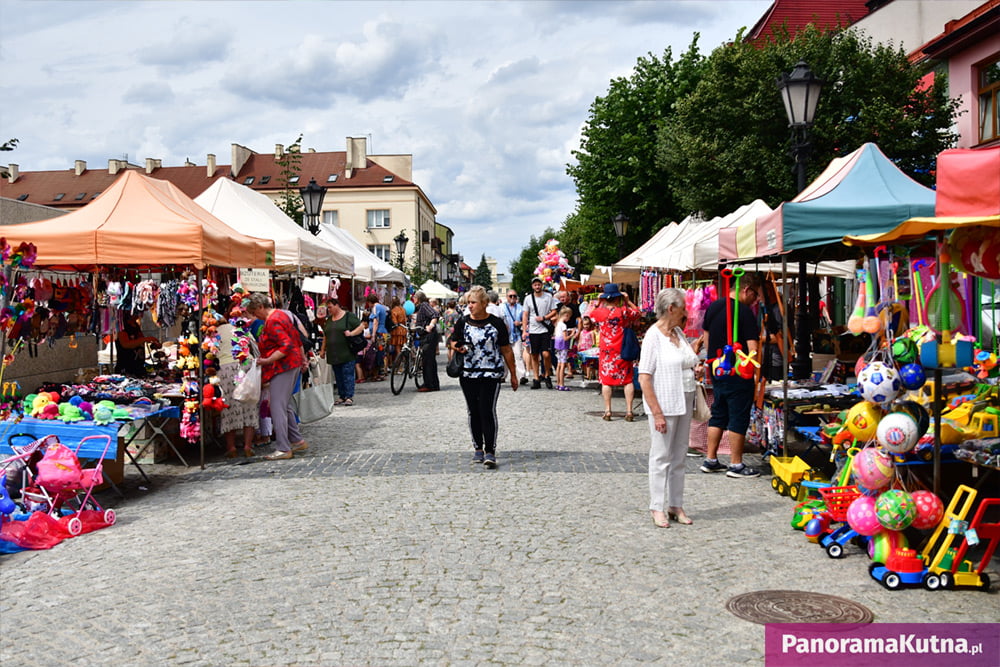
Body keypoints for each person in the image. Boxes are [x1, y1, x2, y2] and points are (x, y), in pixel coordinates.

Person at [638, 288, 699, 528]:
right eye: (683, 307)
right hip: (664, 402)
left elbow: (686, 361)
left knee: (680, 455)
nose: (686, 311)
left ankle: (676, 504)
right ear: (671, 308)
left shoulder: (678, 333)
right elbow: (644, 377)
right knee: (661, 456)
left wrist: (695, 369)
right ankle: (657, 506)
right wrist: (657, 413)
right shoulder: (654, 336)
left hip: (685, 400)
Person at [698, 273, 761, 478]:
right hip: (738, 371)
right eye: (755, 294)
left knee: (719, 412)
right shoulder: (744, 312)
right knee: (738, 416)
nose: (756, 299)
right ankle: (736, 464)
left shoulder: (714, 307)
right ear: (746, 289)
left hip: (717, 368)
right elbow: (753, 347)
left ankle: (711, 459)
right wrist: (756, 374)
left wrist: (714, 362)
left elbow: (706, 339)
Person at [449, 285, 519, 468]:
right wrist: (457, 347)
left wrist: (513, 374)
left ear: (484, 303)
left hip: (491, 373)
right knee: (473, 410)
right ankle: (477, 448)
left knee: (487, 410)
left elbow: (506, 350)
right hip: (468, 373)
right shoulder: (462, 322)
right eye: (468, 303)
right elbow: (453, 341)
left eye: (473, 302)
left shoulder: (496, 323)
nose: (469, 306)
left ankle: (490, 450)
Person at [245, 292, 308, 461]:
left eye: (253, 312)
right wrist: (303, 359)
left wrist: (267, 360)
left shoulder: (273, 320)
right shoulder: (281, 314)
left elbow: (286, 344)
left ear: (260, 307)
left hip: (283, 367)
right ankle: (296, 440)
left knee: (277, 407)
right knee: (283, 405)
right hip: (290, 364)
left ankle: (283, 447)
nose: (254, 316)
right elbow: (296, 339)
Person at [588, 283, 640, 421]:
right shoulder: (623, 311)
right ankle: (629, 411)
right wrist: (628, 301)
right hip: (622, 350)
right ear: (618, 298)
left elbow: (589, 316)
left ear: (605, 298)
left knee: (606, 381)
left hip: (606, 351)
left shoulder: (599, 312)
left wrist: (598, 303)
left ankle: (608, 410)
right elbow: (638, 312)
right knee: (627, 380)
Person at [217, 312, 258, 459]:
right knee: (249, 405)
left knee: (229, 406)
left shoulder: (214, 333)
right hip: (246, 365)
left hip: (226, 369)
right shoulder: (239, 329)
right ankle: (247, 446)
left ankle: (232, 447)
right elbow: (255, 347)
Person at [320, 296, 365, 406]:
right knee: (338, 375)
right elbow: (326, 336)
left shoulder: (348, 316)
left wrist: (351, 334)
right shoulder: (329, 320)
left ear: (337, 305)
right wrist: (322, 350)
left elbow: (361, 327)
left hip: (346, 352)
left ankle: (349, 396)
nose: (329, 310)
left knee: (347, 374)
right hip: (334, 353)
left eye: (330, 307)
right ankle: (341, 395)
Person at [521, 277, 558, 389]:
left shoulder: (548, 297)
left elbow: (554, 311)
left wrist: (544, 317)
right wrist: (524, 330)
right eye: (535, 285)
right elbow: (525, 315)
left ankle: (547, 374)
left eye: (539, 284)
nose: (537, 286)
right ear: (532, 286)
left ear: (541, 285)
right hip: (533, 330)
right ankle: (536, 378)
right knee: (534, 354)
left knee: (546, 354)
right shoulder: (528, 298)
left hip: (545, 329)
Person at [414, 291, 440, 392]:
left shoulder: (424, 305)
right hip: (425, 336)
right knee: (429, 360)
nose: (413, 300)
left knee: (428, 360)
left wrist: (431, 326)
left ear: (418, 298)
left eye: (415, 298)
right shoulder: (421, 307)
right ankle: (433, 384)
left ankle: (429, 384)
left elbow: (435, 314)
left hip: (428, 336)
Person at [501, 289, 527, 383]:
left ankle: (522, 376)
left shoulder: (521, 308)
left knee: (518, 356)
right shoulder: (502, 307)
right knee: (504, 357)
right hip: (505, 336)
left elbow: (525, 321)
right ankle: (503, 375)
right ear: (507, 297)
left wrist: (520, 323)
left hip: (516, 335)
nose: (512, 298)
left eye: (514, 296)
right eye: (510, 296)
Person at [366, 293, 389, 380]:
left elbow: (376, 321)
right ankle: (382, 372)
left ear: (370, 302)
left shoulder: (375, 308)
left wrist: (373, 335)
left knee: (378, 353)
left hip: (379, 333)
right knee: (382, 353)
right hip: (383, 332)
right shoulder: (382, 307)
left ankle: (379, 373)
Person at [553, 306, 575, 391]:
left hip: (557, 345)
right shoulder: (563, 325)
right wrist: (572, 334)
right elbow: (565, 338)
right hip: (563, 346)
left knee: (558, 365)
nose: (569, 319)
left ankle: (558, 383)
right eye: (569, 317)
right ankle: (562, 384)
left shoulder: (558, 324)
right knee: (563, 365)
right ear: (566, 315)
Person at [388, 296, 408, 368]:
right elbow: (405, 320)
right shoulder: (403, 309)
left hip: (397, 331)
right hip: (403, 329)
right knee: (403, 347)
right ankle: (405, 363)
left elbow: (394, 322)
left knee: (398, 349)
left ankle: (400, 366)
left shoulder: (393, 311)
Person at [577, 315, 599, 381]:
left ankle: (589, 375)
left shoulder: (592, 332)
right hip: (582, 349)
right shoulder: (581, 332)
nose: (586, 326)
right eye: (584, 324)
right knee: (582, 363)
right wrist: (579, 345)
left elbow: (593, 341)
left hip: (589, 350)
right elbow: (580, 340)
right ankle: (585, 372)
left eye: (587, 324)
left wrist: (594, 348)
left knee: (589, 363)